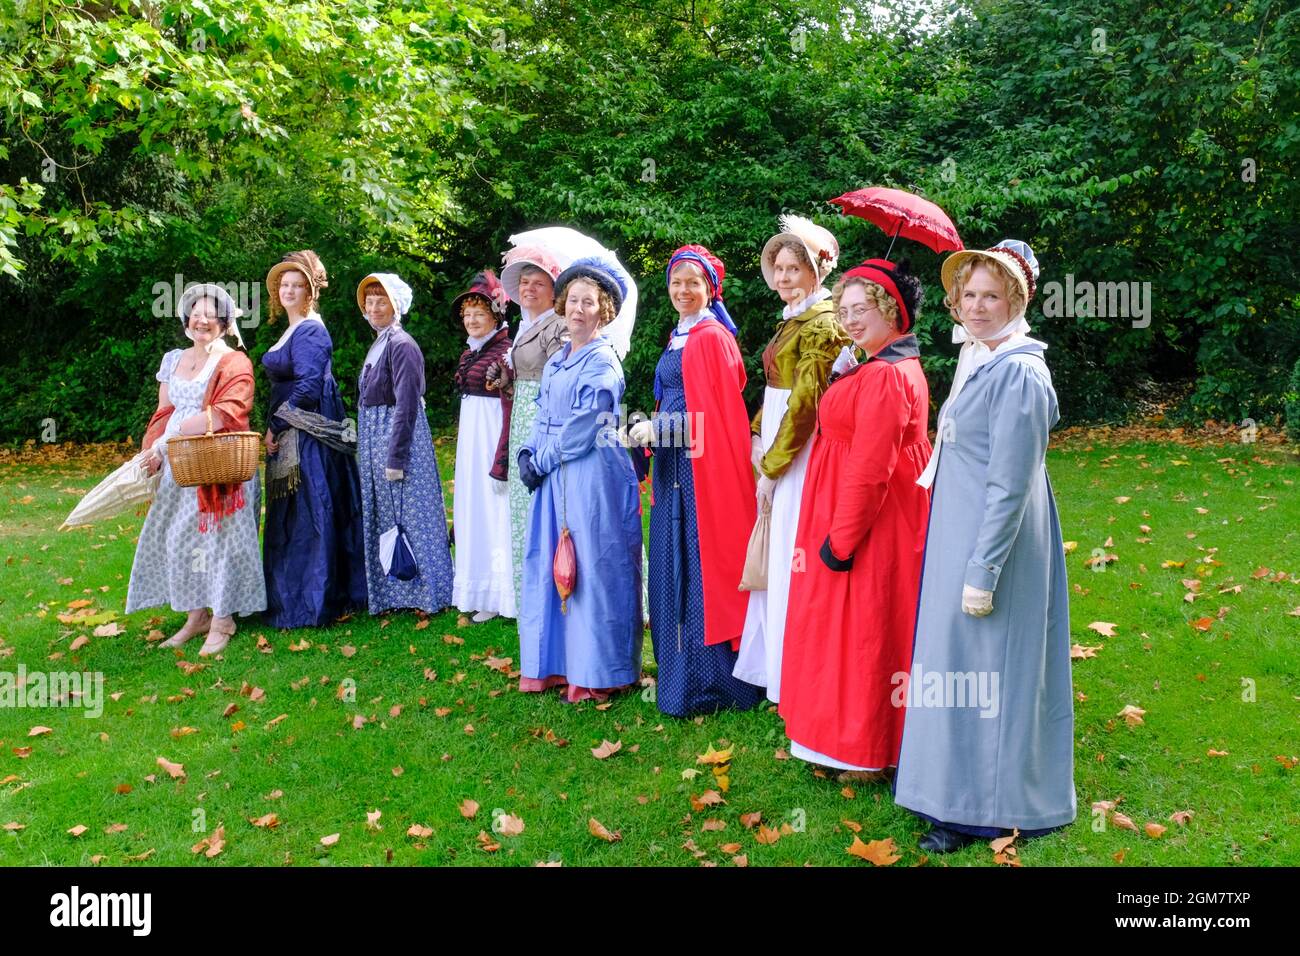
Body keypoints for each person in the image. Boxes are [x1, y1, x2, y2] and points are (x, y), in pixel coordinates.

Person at [893, 239, 1076, 852]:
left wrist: (983, 570)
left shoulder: (1021, 372)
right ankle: (953, 790)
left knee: (989, 666)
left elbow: (1010, 484)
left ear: (1016, 300)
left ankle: (985, 809)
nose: (976, 306)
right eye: (969, 294)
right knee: (957, 663)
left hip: (994, 540)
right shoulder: (982, 359)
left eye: (991, 295)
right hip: (959, 528)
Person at [779, 259, 931, 770]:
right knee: (847, 625)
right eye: (844, 310)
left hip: (869, 521)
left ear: (892, 310)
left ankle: (861, 745)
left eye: (862, 309)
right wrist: (848, 374)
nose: (850, 319)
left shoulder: (887, 376)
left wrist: (841, 541)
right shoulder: (876, 365)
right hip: (849, 507)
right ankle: (838, 737)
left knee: (863, 626)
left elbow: (871, 470)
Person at [627, 244, 763, 717]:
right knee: (673, 556)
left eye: (693, 282)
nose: (683, 290)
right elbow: (682, 402)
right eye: (676, 282)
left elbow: (719, 418)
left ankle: (710, 684)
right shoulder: (679, 334)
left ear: (710, 288)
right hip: (676, 466)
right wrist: (650, 429)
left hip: (698, 472)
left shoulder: (709, 337)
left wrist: (659, 429)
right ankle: (681, 675)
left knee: (696, 560)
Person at [733, 215, 850, 703]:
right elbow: (777, 393)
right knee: (778, 550)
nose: (782, 278)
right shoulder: (796, 318)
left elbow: (806, 406)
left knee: (790, 550)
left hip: (801, 454)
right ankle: (778, 668)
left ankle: (796, 674)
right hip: (780, 442)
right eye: (777, 268)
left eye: (793, 269)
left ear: (816, 271)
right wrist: (758, 432)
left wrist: (774, 466)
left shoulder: (823, 324)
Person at [516, 257, 642, 702]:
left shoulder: (603, 362)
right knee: (550, 560)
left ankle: (597, 672)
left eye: (589, 302)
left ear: (603, 310)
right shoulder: (557, 360)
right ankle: (555, 664)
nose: (579, 309)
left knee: (593, 566)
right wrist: (527, 452)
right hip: (554, 474)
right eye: (573, 300)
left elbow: (585, 425)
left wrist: (543, 458)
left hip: (591, 474)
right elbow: (543, 412)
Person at [127, 283, 266, 656]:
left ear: (223, 322)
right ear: (186, 319)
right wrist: (155, 451)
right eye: (196, 312)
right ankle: (197, 615)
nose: (202, 319)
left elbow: (227, 413)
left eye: (210, 314)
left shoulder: (233, 361)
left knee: (220, 544)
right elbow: (166, 412)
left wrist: (169, 439)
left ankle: (223, 619)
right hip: (179, 464)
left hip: (219, 465)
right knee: (181, 541)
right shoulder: (174, 359)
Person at [261, 250, 366, 628]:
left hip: (305, 431)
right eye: (284, 285)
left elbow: (307, 385)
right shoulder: (293, 329)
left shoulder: (311, 330)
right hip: (291, 426)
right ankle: (288, 595)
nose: (289, 290)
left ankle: (314, 600)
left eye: (297, 285)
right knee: (292, 510)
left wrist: (276, 425)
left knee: (310, 509)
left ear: (310, 292)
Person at [355, 272, 454, 615]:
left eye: (382, 301)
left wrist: (395, 457)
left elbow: (407, 404)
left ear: (396, 306)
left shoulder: (402, 345)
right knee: (391, 516)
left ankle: (430, 593)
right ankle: (396, 593)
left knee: (413, 515)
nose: (374, 307)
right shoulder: (380, 342)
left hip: (398, 439)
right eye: (369, 301)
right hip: (376, 437)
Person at [496, 246, 566, 612]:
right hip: (522, 414)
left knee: (542, 500)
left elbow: (557, 376)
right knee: (523, 504)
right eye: (524, 283)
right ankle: (531, 596)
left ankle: (553, 592)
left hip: (543, 416)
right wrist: (506, 378)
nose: (529, 289)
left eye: (539, 283)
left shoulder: (559, 325)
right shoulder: (527, 326)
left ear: (553, 290)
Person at [450, 269, 515, 622]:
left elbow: (508, 406)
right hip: (472, 440)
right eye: (468, 314)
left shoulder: (506, 353)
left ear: (495, 315)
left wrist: (501, 457)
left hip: (492, 437)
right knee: (473, 508)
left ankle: (498, 592)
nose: (472, 320)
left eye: (479, 313)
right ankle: (476, 586)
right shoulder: (472, 353)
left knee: (495, 512)